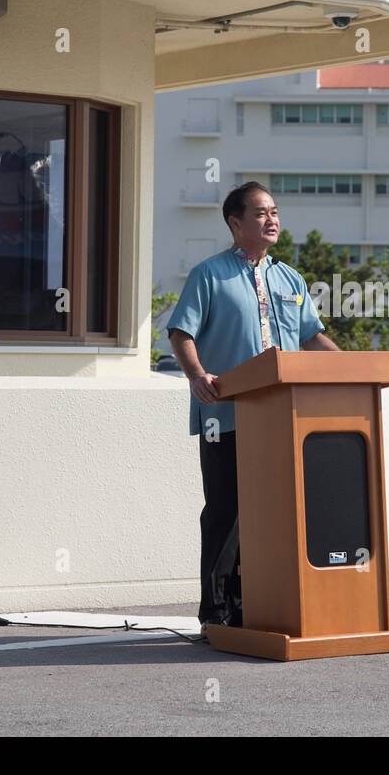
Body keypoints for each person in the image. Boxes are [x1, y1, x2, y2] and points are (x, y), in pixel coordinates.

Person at [166, 182, 339, 639]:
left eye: (275, 212)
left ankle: (256, 604)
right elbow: (180, 332)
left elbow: (311, 337)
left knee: (271, 514)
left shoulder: (291, 279)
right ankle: (217, 612)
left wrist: (348, 368)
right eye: (261, 213)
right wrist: (198, 375)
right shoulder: (209, 275)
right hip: (226, 418)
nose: (272, 220)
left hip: (282, 418)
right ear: (235, 223)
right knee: (227, 513)